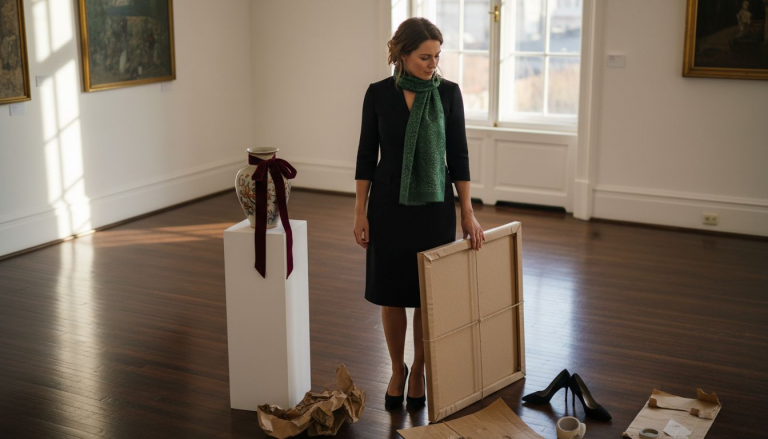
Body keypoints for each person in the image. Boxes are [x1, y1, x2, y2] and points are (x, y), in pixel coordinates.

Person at [352, 17, 485, 410]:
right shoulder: (377, 94)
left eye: (437, 57)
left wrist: (468, 212)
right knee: (392, 295)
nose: (433, 64)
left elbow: (458, 155)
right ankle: (398, 369)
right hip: (389, 208)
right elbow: (365, 156)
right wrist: (360, 211)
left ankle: (422, 369)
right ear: (403, 55)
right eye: (425, 57)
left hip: (434, 209)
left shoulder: (448, 94)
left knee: (430, 297)